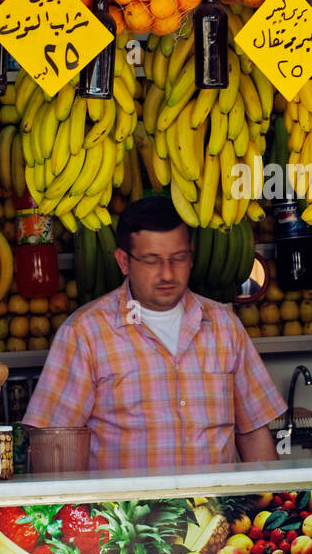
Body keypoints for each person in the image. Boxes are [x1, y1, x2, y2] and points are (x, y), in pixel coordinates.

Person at [24, 197, 285, 472]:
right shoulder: (85, 333)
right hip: (125, 513)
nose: (167, 273)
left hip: (217, 512)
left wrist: (271, 504)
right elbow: (54, 444)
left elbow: (254, 431)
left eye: (178, 258)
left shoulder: (224, 326)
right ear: (124, 261)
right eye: (151, 260)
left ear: (191, 254)